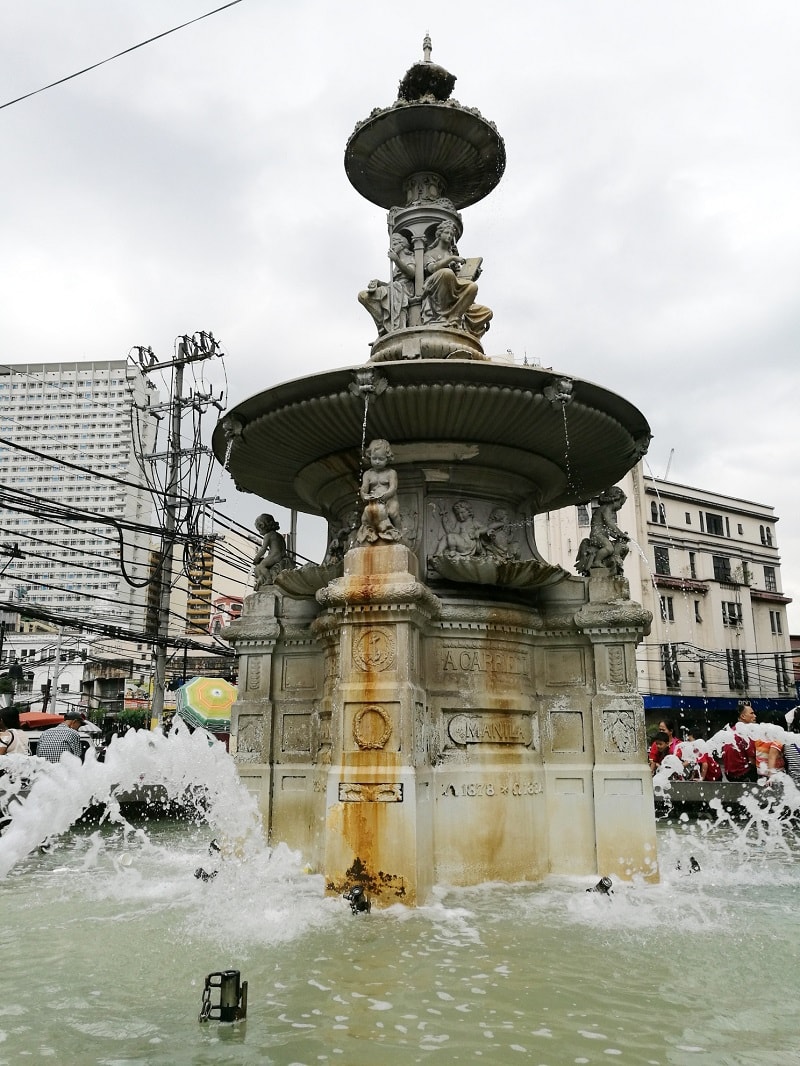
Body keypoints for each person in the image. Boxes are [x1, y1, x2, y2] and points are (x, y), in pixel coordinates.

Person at [421, 220, 492, 336]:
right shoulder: (430, 253)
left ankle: (454, 317)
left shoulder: (452, 254)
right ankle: (441, 315)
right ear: (439, 234)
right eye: (447, 233)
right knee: (446, 273)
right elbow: (432, 268)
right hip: (434, 286)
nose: (449, 236)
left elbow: (459, 278)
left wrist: (473, 275)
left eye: (451, 234)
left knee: (473, 287)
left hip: (452, 287)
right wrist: (451, 259)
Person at [356, 439, 403, 544]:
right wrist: (364, 495)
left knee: (393, 513)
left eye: (381, 459)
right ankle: (365, 533)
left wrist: (385, 496)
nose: (377, 461)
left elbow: (393, 488)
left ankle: (399, 532)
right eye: (374, 458)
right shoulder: (367, 474)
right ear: (369, 457)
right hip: (374, 500)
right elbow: (364, 488)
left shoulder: (391, 473)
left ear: (388, 458)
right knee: (365, 515)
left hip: (390, 499)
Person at [253, 514, 292, 589]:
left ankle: (269, 579)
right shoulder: (279, 536)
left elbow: (263, 549)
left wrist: (257, 557)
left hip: (274, 555)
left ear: (262, 525)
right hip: (281, 556)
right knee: (261, 566)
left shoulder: (268, 535)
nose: (259, 532)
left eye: (259, 530)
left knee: (262, 566)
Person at [721, 702, 758, 782]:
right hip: (743, 774)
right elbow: (752, 760)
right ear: (743, 716)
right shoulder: (746, 732)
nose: (755, 716)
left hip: (729, 775)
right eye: (752, 713)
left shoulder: (732, 730)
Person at [768, 706, 800, 787]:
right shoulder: (786, 740)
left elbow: (772, 755)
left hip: (794, 784)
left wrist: (771, 775)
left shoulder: (786, 739)